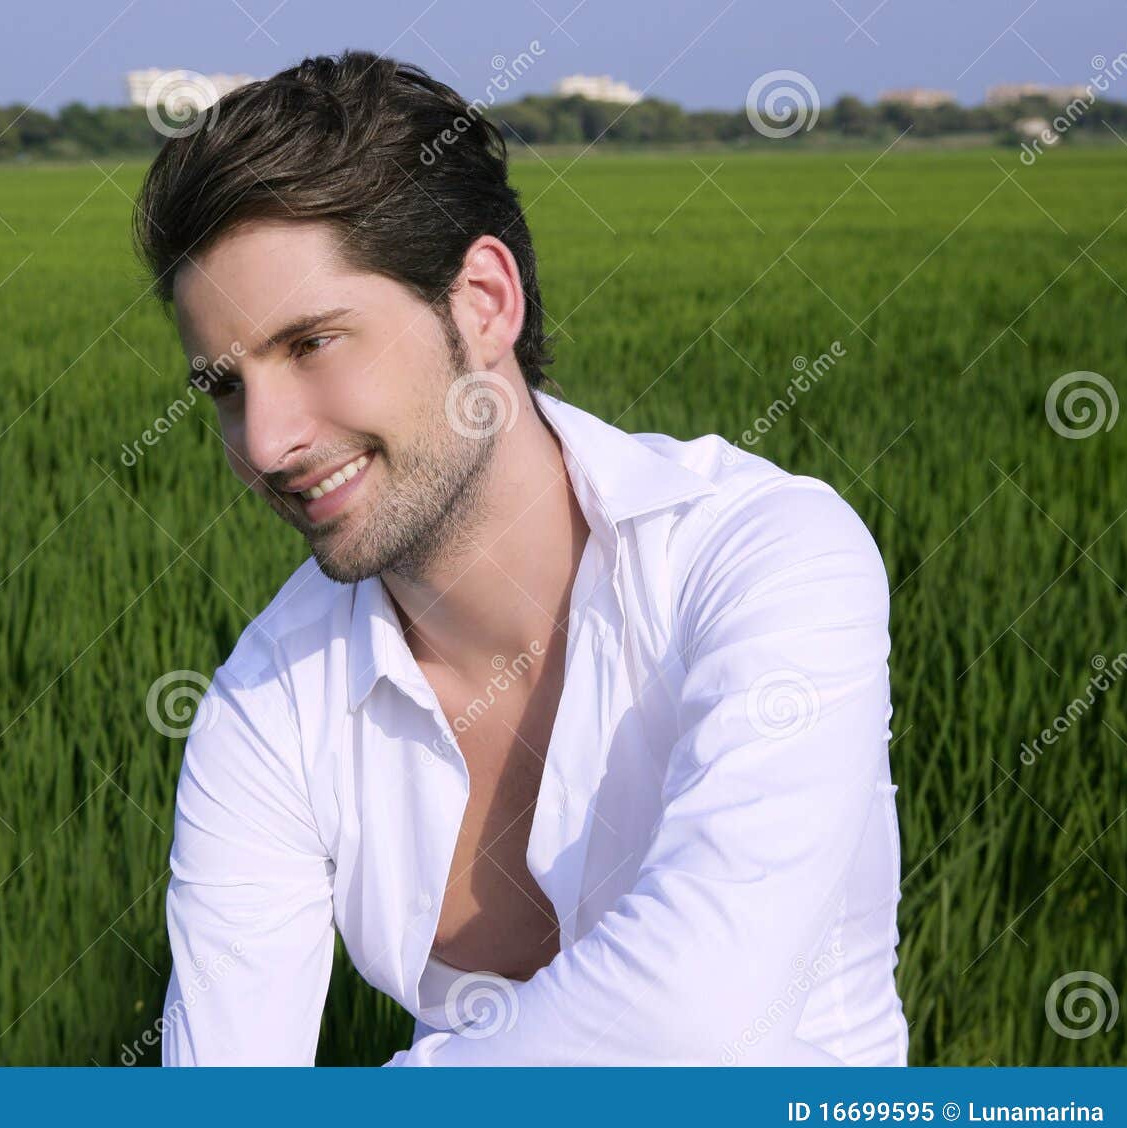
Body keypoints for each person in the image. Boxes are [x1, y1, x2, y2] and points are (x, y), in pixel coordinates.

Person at [132, 49, 909, 1066]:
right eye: (223, 386)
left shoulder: (764, 557)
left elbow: (693, 1016)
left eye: (313, 342)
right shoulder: (265, 708)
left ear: (484, 301)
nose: (265, 439)